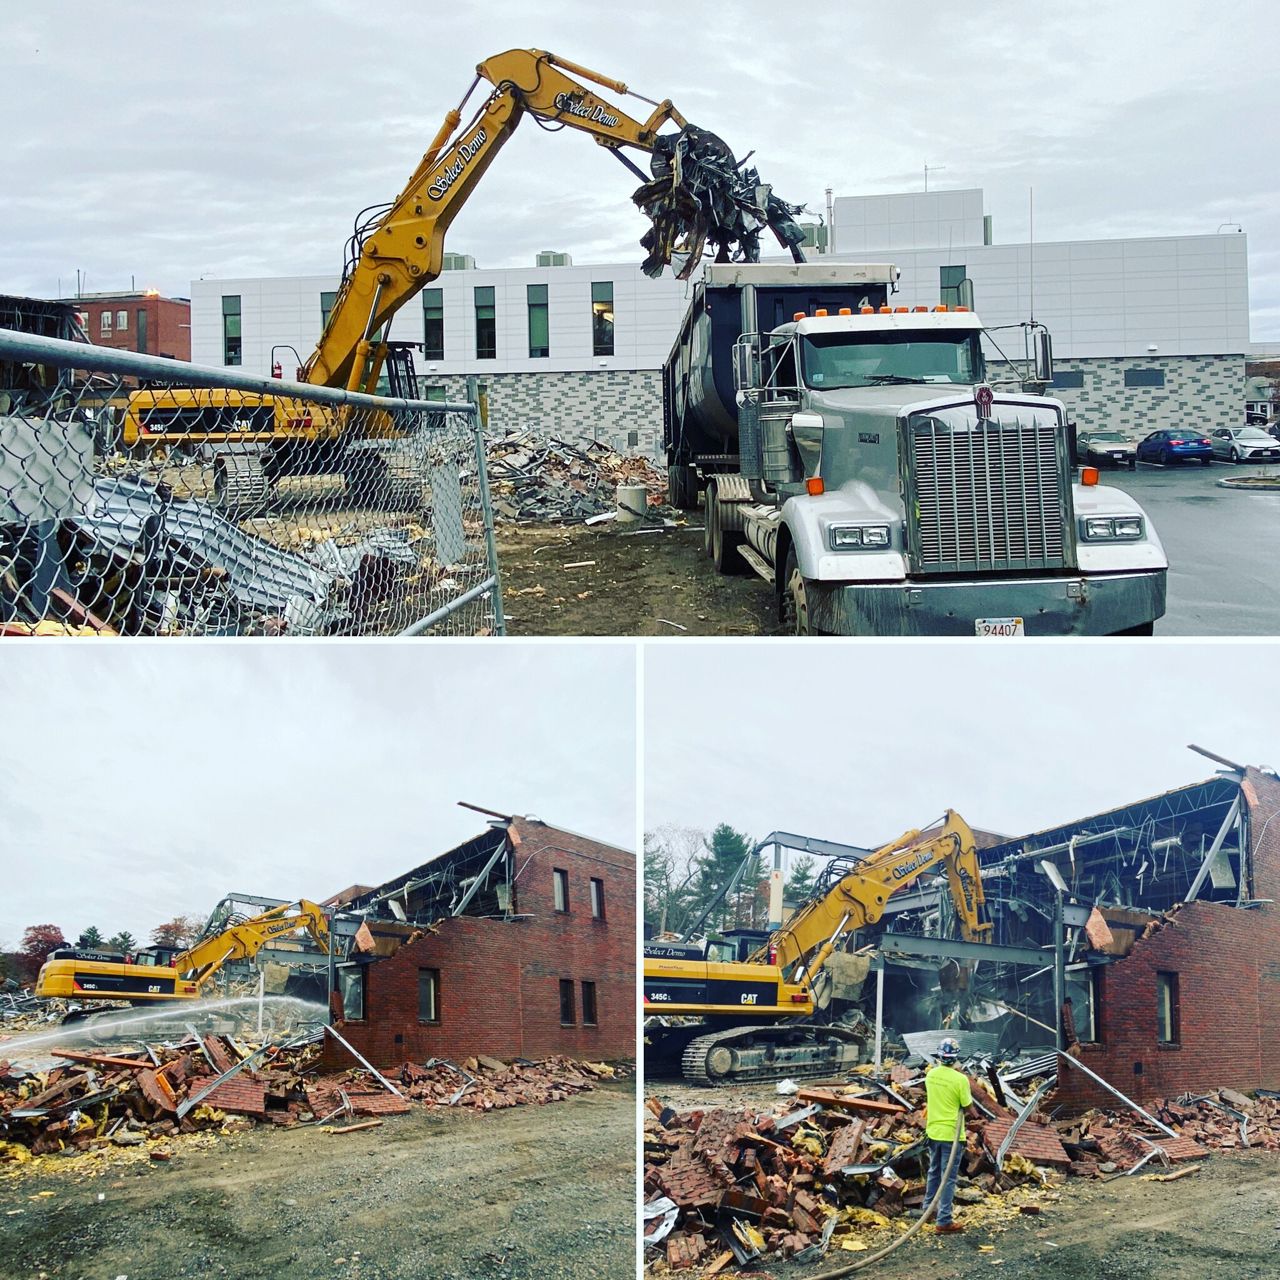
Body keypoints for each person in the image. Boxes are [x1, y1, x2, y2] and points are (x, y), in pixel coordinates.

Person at [922, 1036, 973, 1234]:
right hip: (952, 1135)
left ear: (939, 1056)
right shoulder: (961, 1080)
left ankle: (928, 1210)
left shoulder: (930, 1075)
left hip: (933, 1132)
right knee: (948, 1178)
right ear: (956, 1057)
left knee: (934, 1171)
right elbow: (968, 1108)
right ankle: (944, 1220)